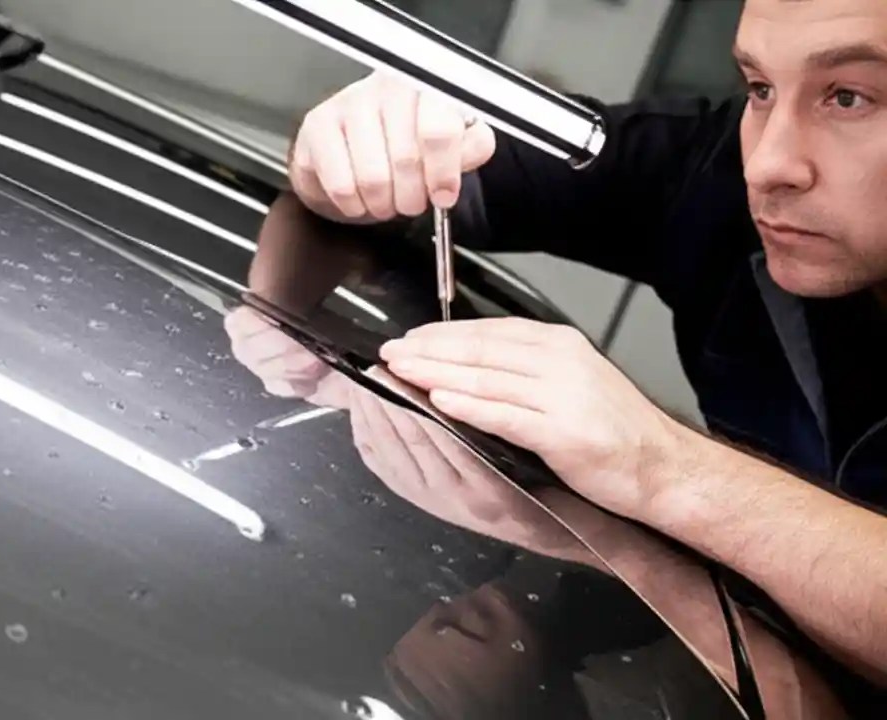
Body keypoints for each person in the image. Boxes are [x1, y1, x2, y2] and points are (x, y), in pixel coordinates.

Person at [286, 0, 887, 688]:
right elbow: (445, 172)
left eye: (849, 97)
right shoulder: (713, 169)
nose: (769, 164)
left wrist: (663, 467)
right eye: (759, 87)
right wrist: (350, 149)